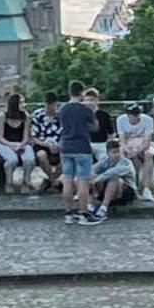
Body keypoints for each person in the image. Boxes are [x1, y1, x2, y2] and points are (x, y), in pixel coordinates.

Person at [56, 82, 97, 223]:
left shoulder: (62, 109)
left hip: (66, 147)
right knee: (82, 182)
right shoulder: (85, 109)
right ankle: (83, 213)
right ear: (81, 93)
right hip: (82, 147)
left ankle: (68, 213)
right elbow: (94, 127)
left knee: (67, 180)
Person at [115, 101, 154, 202]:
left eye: (136, 114)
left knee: (149, 155)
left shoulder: (148, 120)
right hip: (128, 145)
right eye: (132, 114)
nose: (134, 117)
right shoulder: (121, 120)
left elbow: (147, 140)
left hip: (142, 144)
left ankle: (146, 188)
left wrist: (138, 151)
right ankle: (129, 186)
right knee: (123, 156)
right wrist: (128, 150)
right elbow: (122, 140)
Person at [86, 139, 137, 221]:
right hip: (110, 191)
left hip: (126, 192)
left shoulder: (126, 163)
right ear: (108, 153)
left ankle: (103, 208)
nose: (117, 155)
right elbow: (92, 169)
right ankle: (90, 206)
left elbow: (111, 173)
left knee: (114, 178)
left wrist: (96, 180)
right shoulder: (105, 160)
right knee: (89, 176)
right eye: (114, 152)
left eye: (118, 152)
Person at [0, 93, 33, 193]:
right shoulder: (2, 116)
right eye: (21, 102)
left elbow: (26, 136)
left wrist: (22, 144)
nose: (23, 105)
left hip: (21, 143)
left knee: (29, 160)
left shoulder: (26, 117)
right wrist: (11, 145)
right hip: (5, 143)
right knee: (11, 160)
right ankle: (9, 183)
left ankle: (26, 182)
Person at [29, 94, 64, 189]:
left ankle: (50, 181)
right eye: (50, 106)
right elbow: (34, 137)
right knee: (41, 156)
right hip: (42, 144)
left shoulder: (61, 116)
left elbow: (66, 133)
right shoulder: (37, 115)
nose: (53, 108)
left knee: (68, 157)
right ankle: (54, 182)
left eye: (55, 106)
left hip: (60, 144)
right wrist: (47, 145)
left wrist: (59, 145)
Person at [85, 89, 113, 163]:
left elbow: (111, 133)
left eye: (92, 100)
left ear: (97, 100)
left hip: (102, 144)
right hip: (87, 144)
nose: (89, 103)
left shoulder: (104, 115)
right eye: (87, 100)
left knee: (105, 160)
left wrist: (108, 145)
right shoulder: (82, 115)